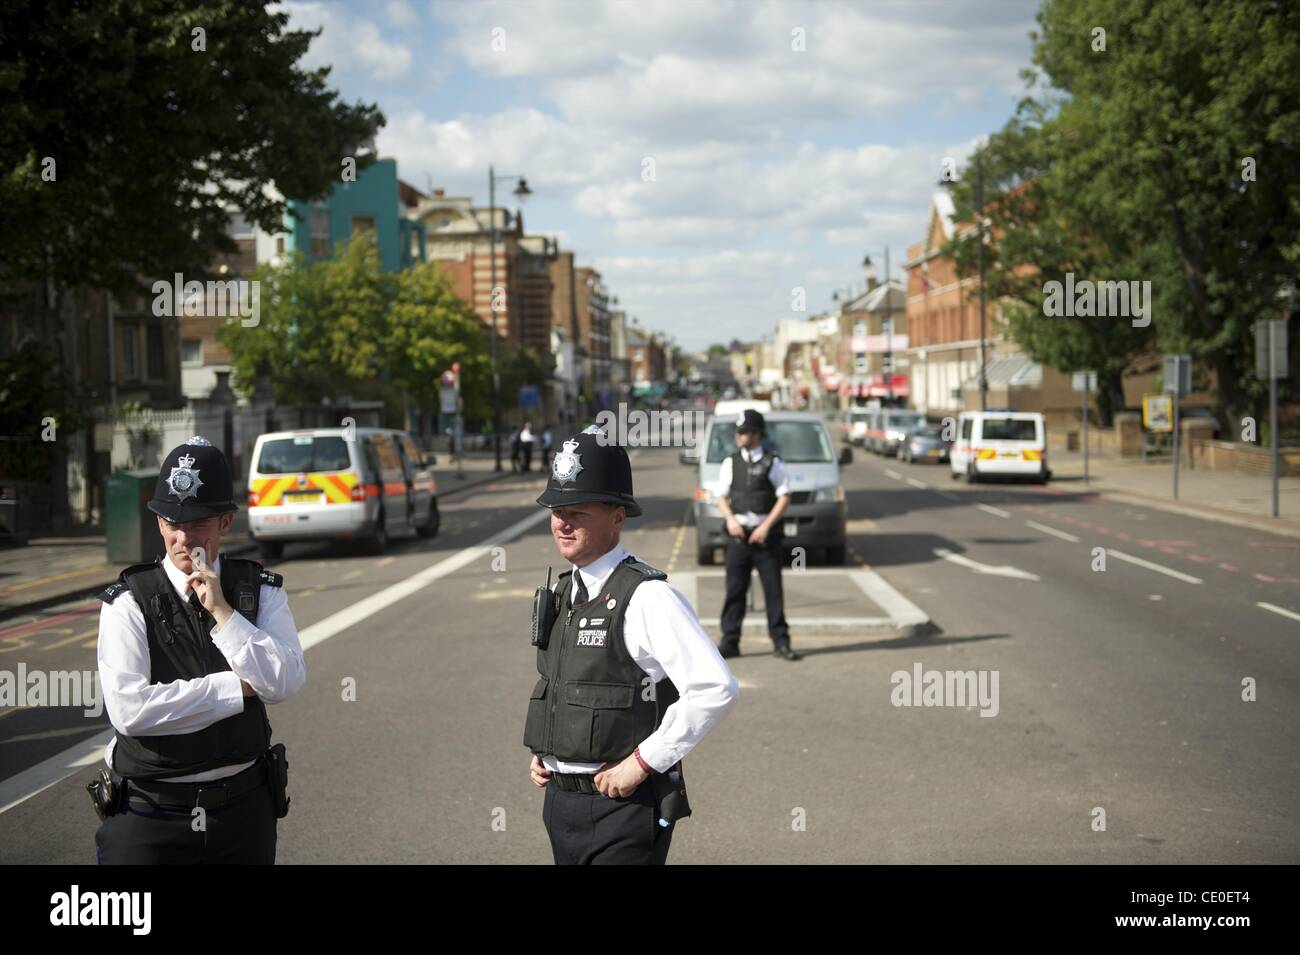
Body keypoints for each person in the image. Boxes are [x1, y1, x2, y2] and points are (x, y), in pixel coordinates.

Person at [525, 426, 739, 864]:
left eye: (577, 511)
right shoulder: (567, 591)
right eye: (556, 509)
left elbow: (715, 687)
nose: (562, 522)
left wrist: (643, 763)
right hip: (561, 806)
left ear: (617, 517)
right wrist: (550, 755)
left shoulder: (647, 597)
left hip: (620, 809)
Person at [92, 436, 306, 864]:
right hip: (150, 816)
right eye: (171, 522)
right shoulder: (127, 601)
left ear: (226, 522)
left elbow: (284, 681)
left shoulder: (257, 592)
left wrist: (225, 614)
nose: (182, 537)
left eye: (197, 524)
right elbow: (131, 711)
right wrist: (236, 687)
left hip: (242, 814)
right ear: (158, 523)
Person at [716, 409, 800, 660]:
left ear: (757, 434)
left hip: (766, 537)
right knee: (734, 590)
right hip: (738, 536)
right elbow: (720, 496)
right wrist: (731, 520)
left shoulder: (773, 462)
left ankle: (781, 642)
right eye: (738, 431)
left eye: (744, 432)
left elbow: (784, 497)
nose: (739, 436)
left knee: (773, 591)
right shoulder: (730, 462)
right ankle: (730, 641)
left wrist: (765, 527)